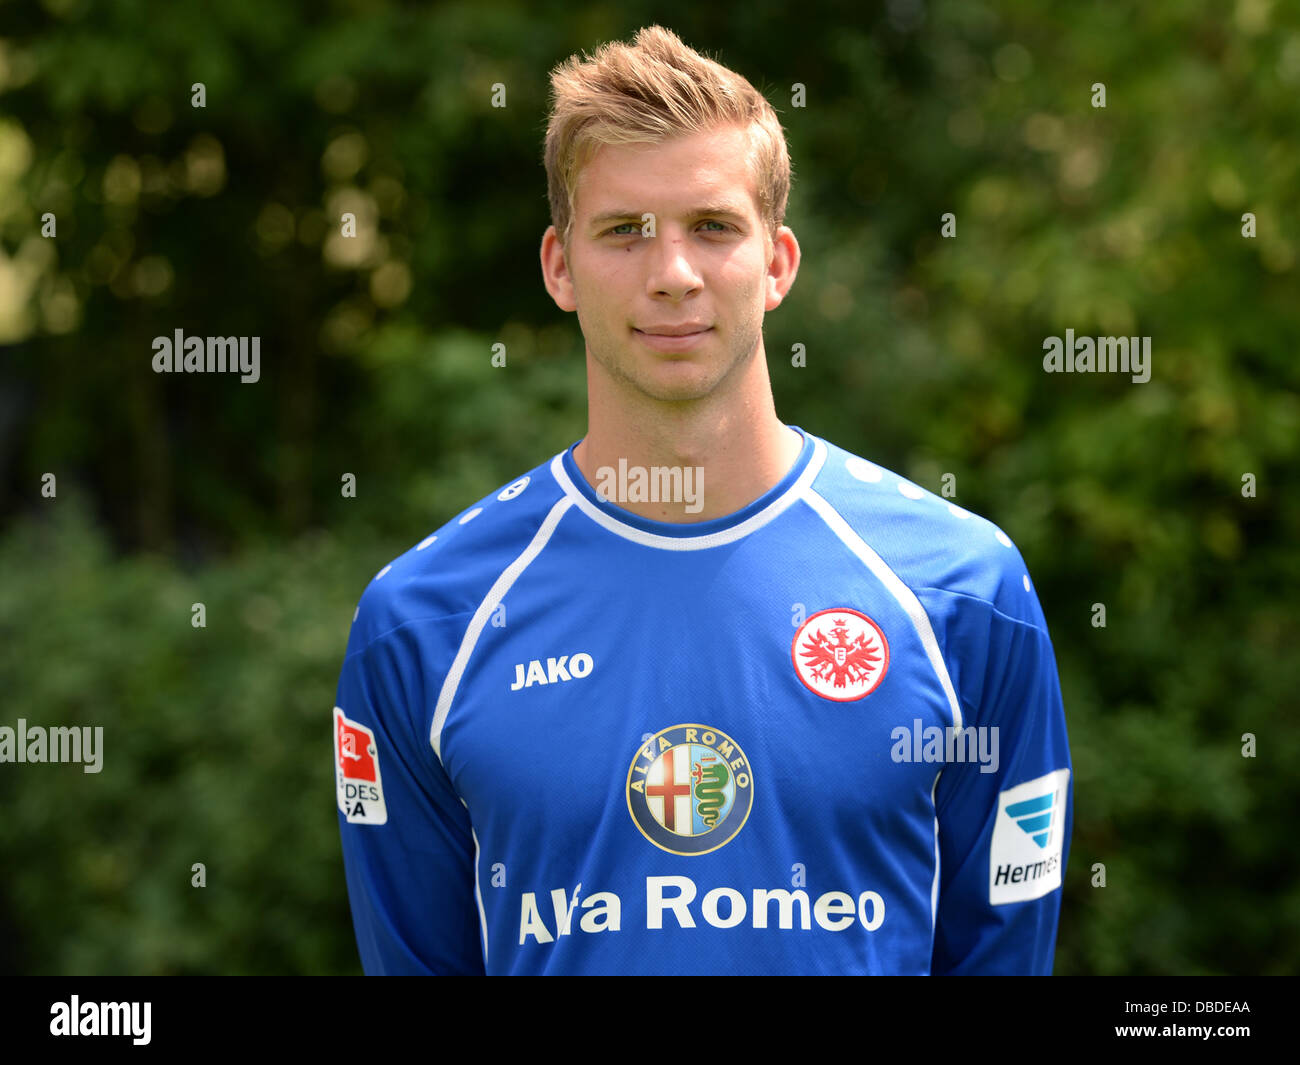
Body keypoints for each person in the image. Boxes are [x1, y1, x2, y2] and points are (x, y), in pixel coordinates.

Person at [334, 24, 1072, 975]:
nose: (672, 274)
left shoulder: (965, 593)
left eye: (713, 227)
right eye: (624, 231)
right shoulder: (424, 623)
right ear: (560, 266)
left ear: (778, 264)